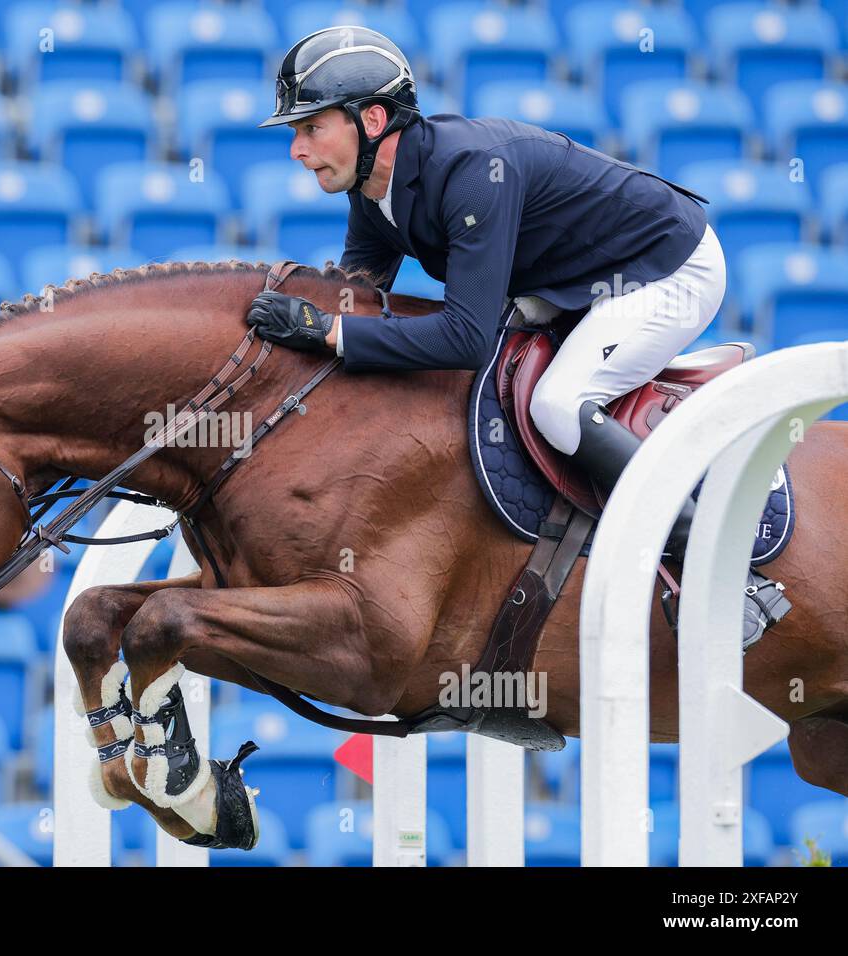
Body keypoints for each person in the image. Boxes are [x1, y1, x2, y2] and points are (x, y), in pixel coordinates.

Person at [243, 25, 790, 645]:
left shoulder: (473, 171)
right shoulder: (374, 193)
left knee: (557, 404)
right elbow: (358, 297)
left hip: (666, 268)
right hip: (576, 278)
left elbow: (463, 339)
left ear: (371, 119)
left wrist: (328, 332)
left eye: (310, 127)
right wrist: (298, 326)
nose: (296, 148)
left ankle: (718, 563)